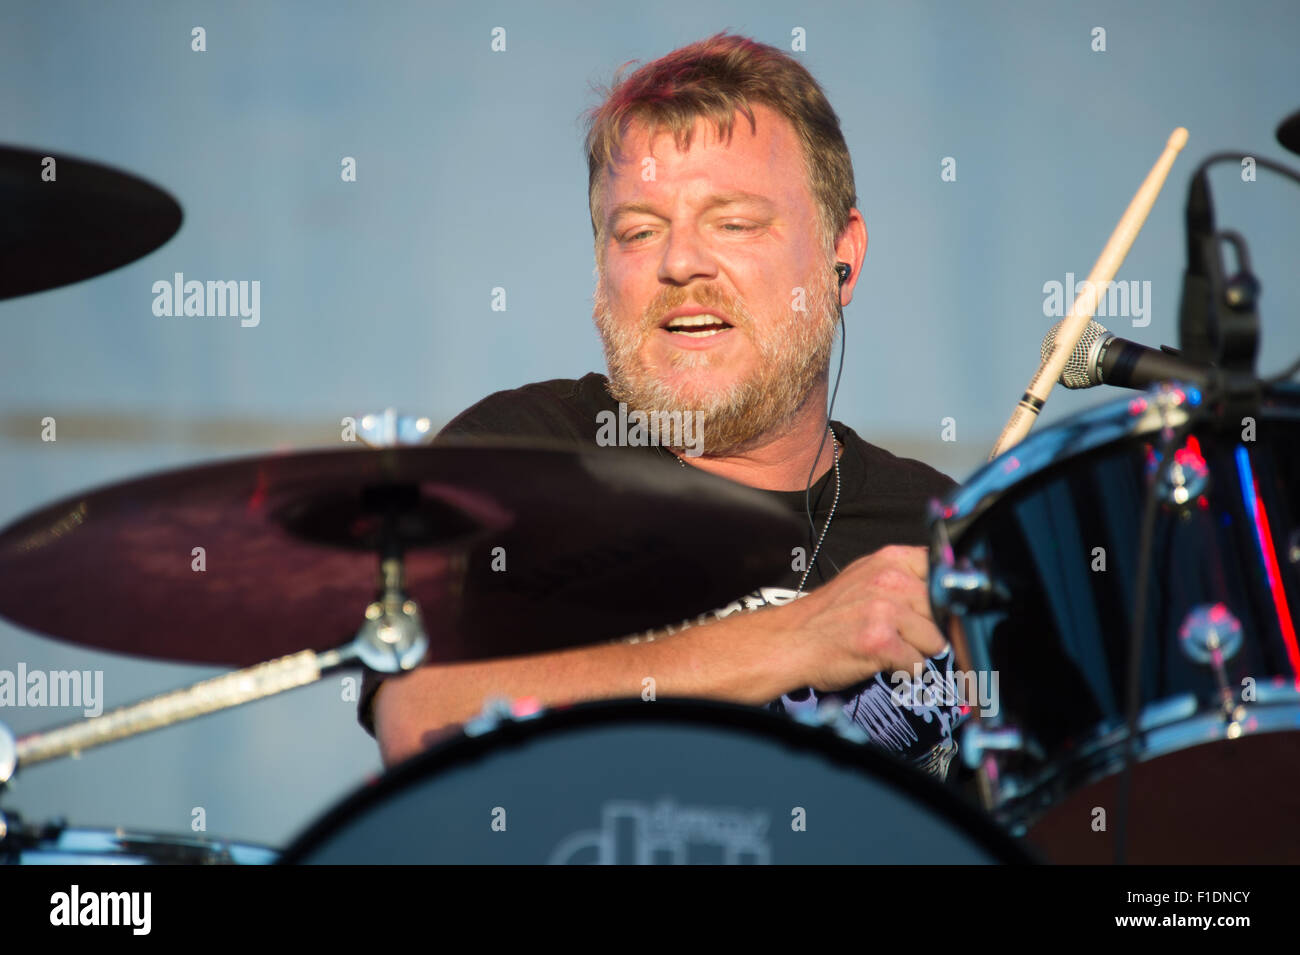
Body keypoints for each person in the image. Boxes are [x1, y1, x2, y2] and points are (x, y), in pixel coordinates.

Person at [359, 32, 965, 779]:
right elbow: (421, 716)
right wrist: (794, 639)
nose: (680, 263)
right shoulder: (523, 455)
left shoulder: (946, 529)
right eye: (640, 231)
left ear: (843, 258)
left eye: (734, 222)